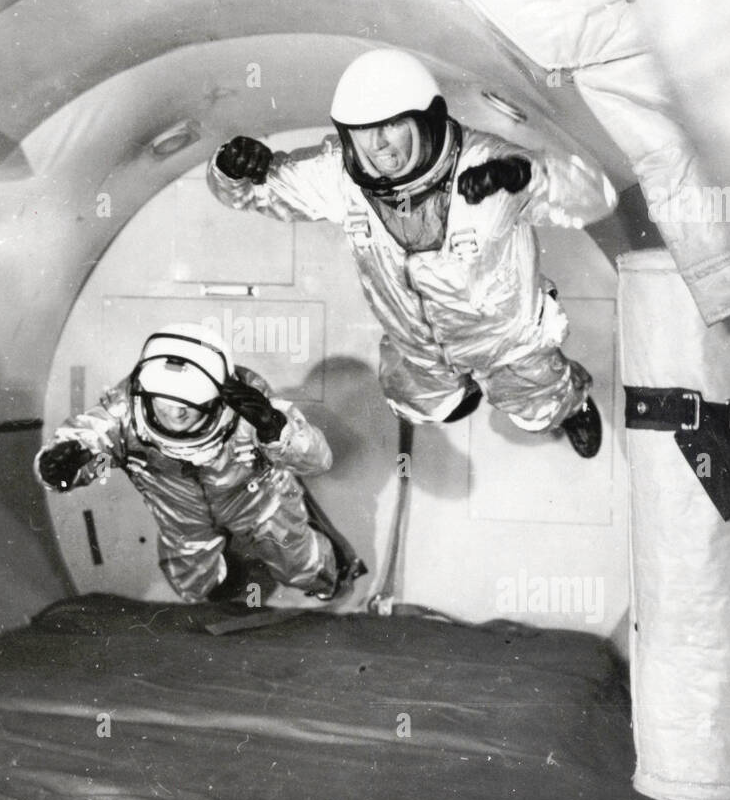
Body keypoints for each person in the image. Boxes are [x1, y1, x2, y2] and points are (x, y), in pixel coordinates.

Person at [207, 49, 615, 457]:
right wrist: (230, 169)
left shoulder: (490, 165)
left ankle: (569, 407)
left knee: (538, 400)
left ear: (429, 120)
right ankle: (457, 395)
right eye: (362, 130)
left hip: (506, 338)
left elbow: (596, 198)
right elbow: (255, 192)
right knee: (421, 403)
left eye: (393, 126)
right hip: (414, 342)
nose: (377, 144)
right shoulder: (341, 176)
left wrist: (531, 177)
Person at [34, 323, 363, 603]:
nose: (174, 415)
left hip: (255, 500)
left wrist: (276, 430)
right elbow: (93, 447)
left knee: (301, 565)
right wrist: (62, 465)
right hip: (178, 507)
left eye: (186, 406)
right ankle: (230, 594)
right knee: (191, 583)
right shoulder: (124, 417)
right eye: (164, 404)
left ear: (213, 400)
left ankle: (334, 578)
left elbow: (319, 459)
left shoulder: (247, 409)